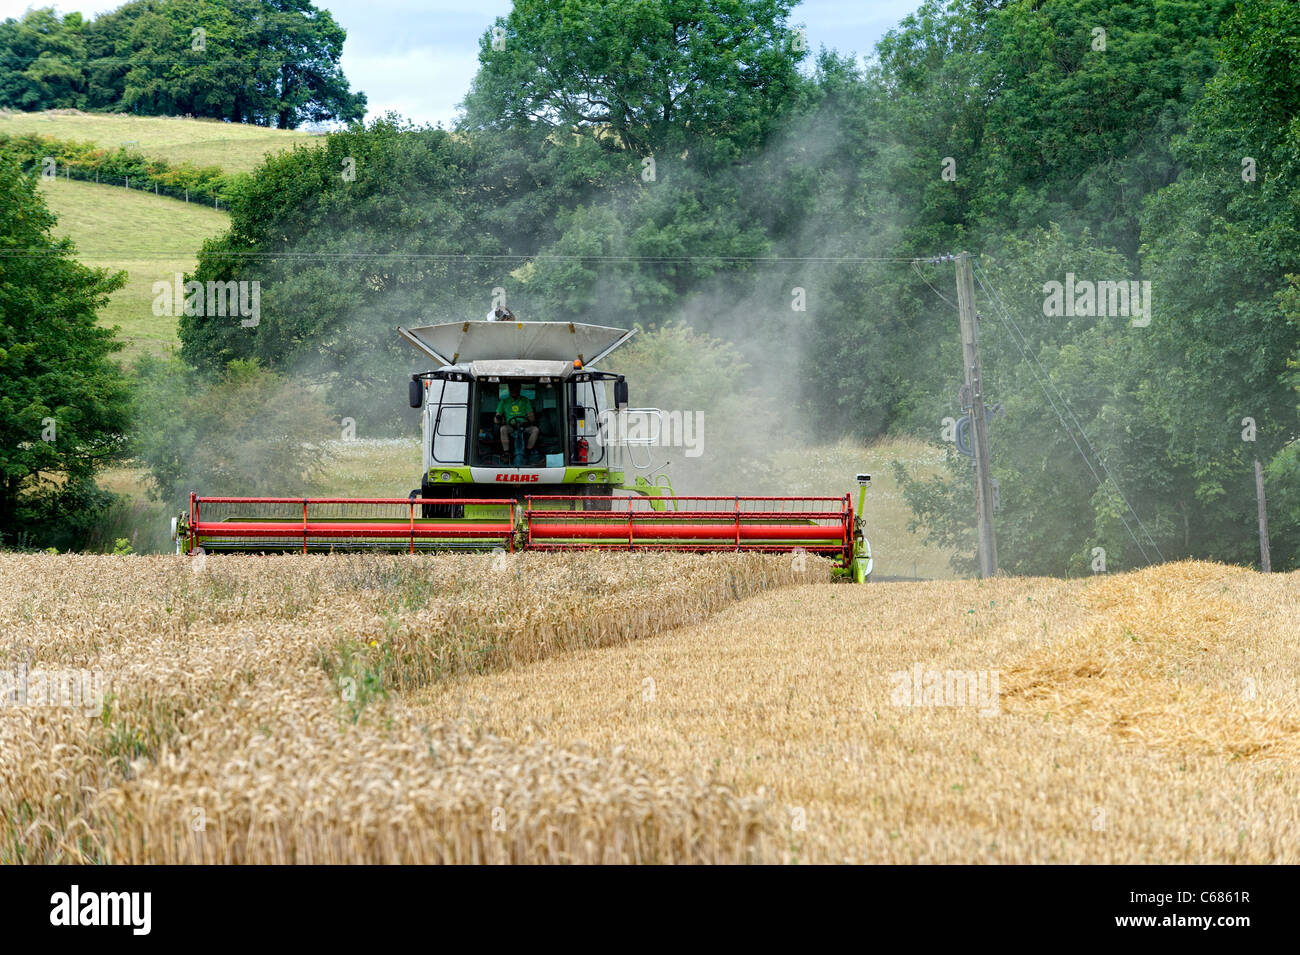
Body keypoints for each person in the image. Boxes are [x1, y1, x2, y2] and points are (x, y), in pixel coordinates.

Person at [496, 381, 539, 455]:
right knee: (503, 429)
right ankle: (506, 452)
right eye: (512, 388)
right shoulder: (504, 402)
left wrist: (528, 421)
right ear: (509, 389)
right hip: (510, 426)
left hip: (524, 426)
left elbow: (532, 417)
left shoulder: (525, 400)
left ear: (519, 388)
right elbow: (497, 417)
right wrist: (499, 418)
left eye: (516, 388)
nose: (514, 390)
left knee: (535, 430)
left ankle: (528, 451)